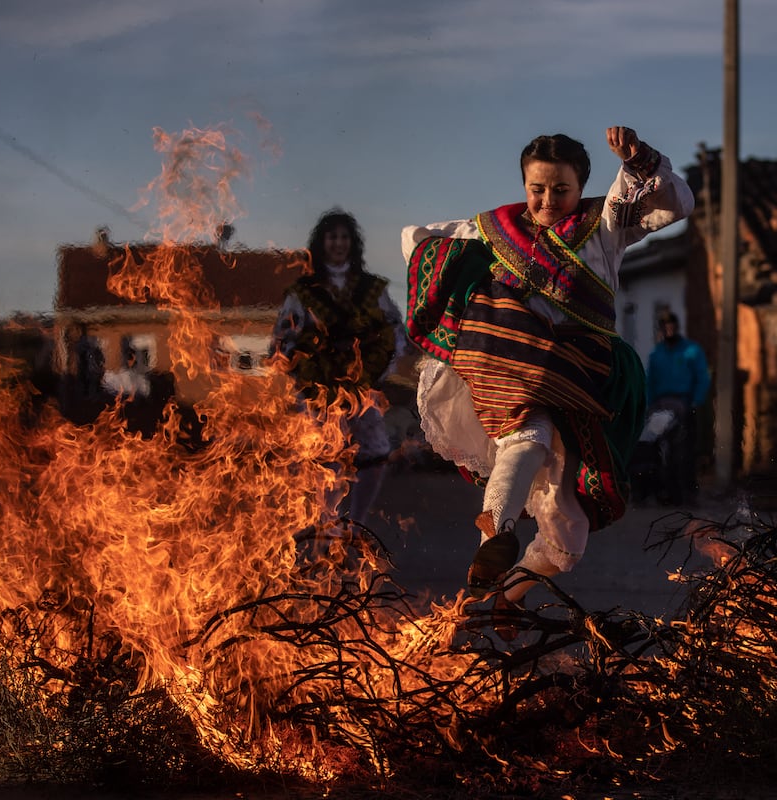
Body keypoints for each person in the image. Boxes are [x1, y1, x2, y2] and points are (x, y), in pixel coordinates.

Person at [402, 126, 694, 636]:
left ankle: (506, 596)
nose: (547, 200)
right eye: (537, 188)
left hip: (580, 378)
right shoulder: (493, 229)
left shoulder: (606, 224)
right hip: (508, 362)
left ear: (582, 186)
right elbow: (417, 239)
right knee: (527, 433)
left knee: (569, 532)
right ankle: (496, 529)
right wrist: (478, 288)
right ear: (524, 184)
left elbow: (675, 205)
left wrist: (640, 162)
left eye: (561, 189)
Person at [271, 208, 408, 535]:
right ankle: (327, 522)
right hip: (318, 388)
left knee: (374, 453)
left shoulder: (372, 288)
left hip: (363, 386)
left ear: (353, 243)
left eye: (344, 237)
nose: (338, 243)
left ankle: (357, 522)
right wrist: (303, 374)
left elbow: (394, 331)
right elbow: (284, 338)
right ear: (321, 242)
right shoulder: (304, 291)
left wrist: (378, 371)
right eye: (332, 237)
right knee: (324, 453)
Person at [644, 310, 711, 505]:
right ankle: (664, 491)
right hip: (661, 407)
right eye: (665, 326)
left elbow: (702, 377)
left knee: (684, 452)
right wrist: (649, 406)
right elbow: (650, 382)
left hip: (684, 405)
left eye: (671, 326)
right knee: (659, 451)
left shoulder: (691, 351)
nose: (669, 330)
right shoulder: (656, 354)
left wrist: (695, 402)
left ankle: (687, 493)